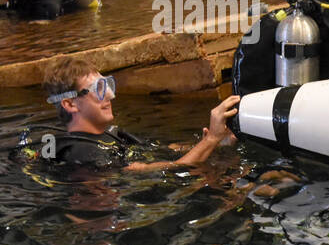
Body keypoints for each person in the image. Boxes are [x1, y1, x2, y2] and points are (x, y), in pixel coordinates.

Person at [39, 55, 240, 170]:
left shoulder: (112, 134)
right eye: (98, 89)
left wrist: (220, 141)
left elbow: (164, 150)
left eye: (107, 85)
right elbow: (171, 169)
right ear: (70, 104)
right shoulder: (82, 152)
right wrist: (210, 139)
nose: (110, 96)